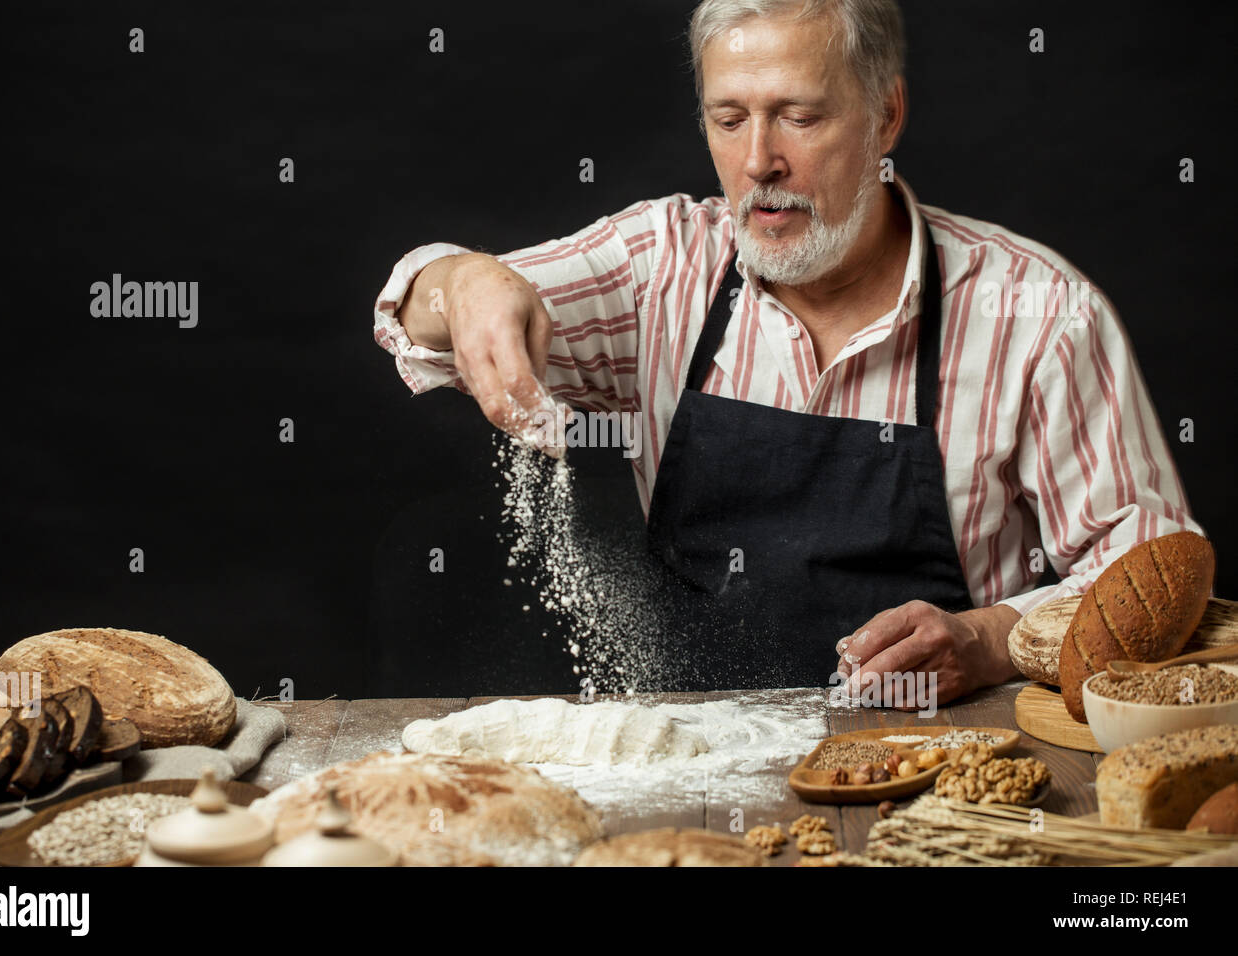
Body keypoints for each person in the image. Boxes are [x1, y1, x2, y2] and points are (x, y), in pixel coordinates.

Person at [372, 0, 1201, 702]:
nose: (759, 161)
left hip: (951, 768)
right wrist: (467, 283)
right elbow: (419, 311)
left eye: (799, 116)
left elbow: (1152, 580)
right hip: (695, 770)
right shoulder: (660, 268)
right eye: (729, 119)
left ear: (886, 114)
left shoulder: (1039, 313)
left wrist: (985, 640)